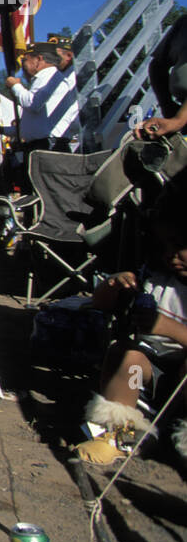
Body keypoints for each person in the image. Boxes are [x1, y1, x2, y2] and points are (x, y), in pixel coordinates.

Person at [74, 189, 187, 466]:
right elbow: (98, 304)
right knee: (130, 360)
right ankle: (120, 436)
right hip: (149, 372)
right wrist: (112, 286)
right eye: (163, 247)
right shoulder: (156, 278)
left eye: (178, 245)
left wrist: (167, 327)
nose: (170, 255)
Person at [5, 41, 78, 162]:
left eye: (25, 60)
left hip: (48, 148)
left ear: (38, 60)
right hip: (43, 147)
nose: (23, 66)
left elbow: (33, 103)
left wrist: (15, 86)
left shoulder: (48, 77)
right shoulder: (48, 78)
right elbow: (32, 124)